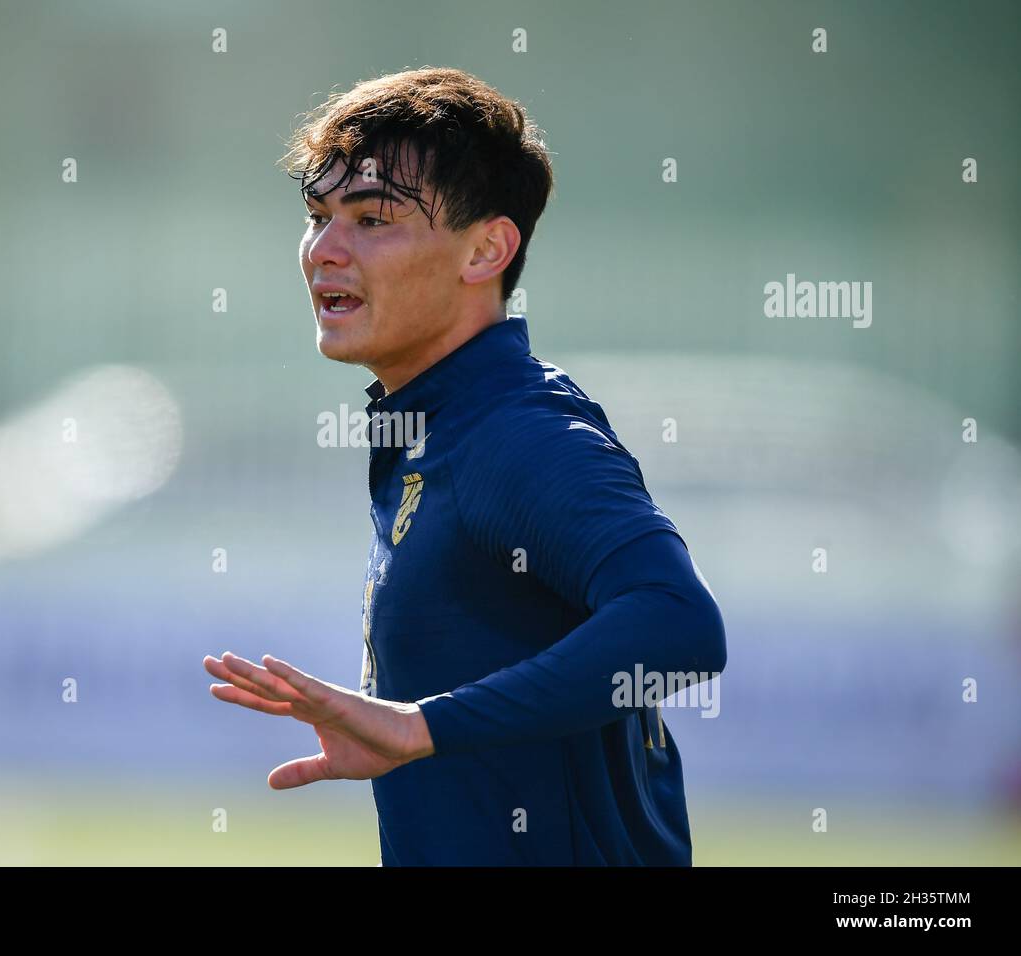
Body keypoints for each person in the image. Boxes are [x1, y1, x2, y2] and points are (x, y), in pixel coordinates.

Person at [204, 66, 726, 865]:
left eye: (372, 219)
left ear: (486, 249)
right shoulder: (436, 425)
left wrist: (420, 727)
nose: (325, 251)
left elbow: (679, 623)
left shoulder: (515, 432)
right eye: (317, 216)